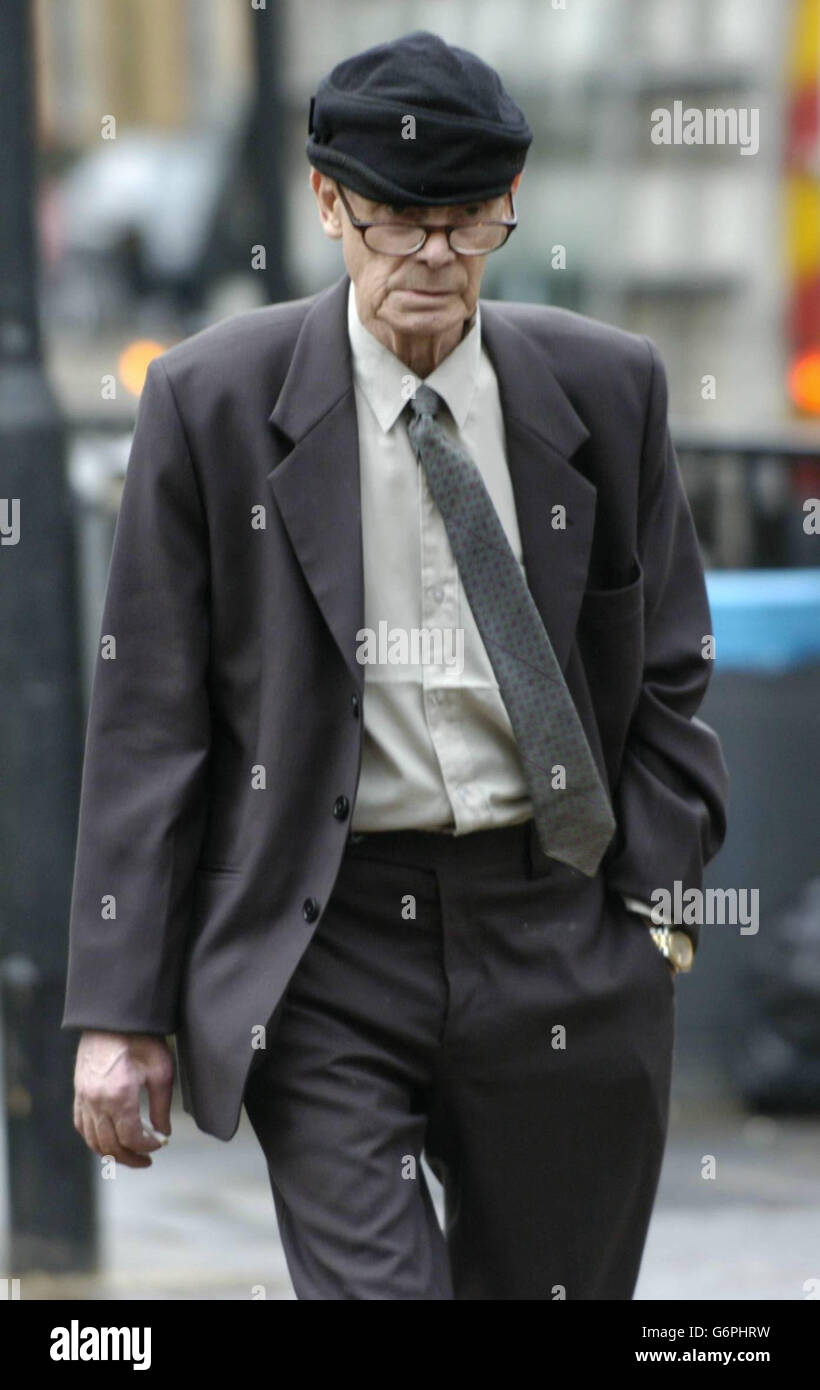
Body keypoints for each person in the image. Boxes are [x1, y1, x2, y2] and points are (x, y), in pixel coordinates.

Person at [63, 30, 729, 1299]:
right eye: (396, 221)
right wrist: (118, 1008)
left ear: (507, 211)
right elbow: (150, 714)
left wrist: (659, 904)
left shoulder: (609, 387)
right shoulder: (210, 402)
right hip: (325, 940)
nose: (433, 256)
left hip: (560, 927)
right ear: (327, 202)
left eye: (469, 222)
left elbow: (667, 665)